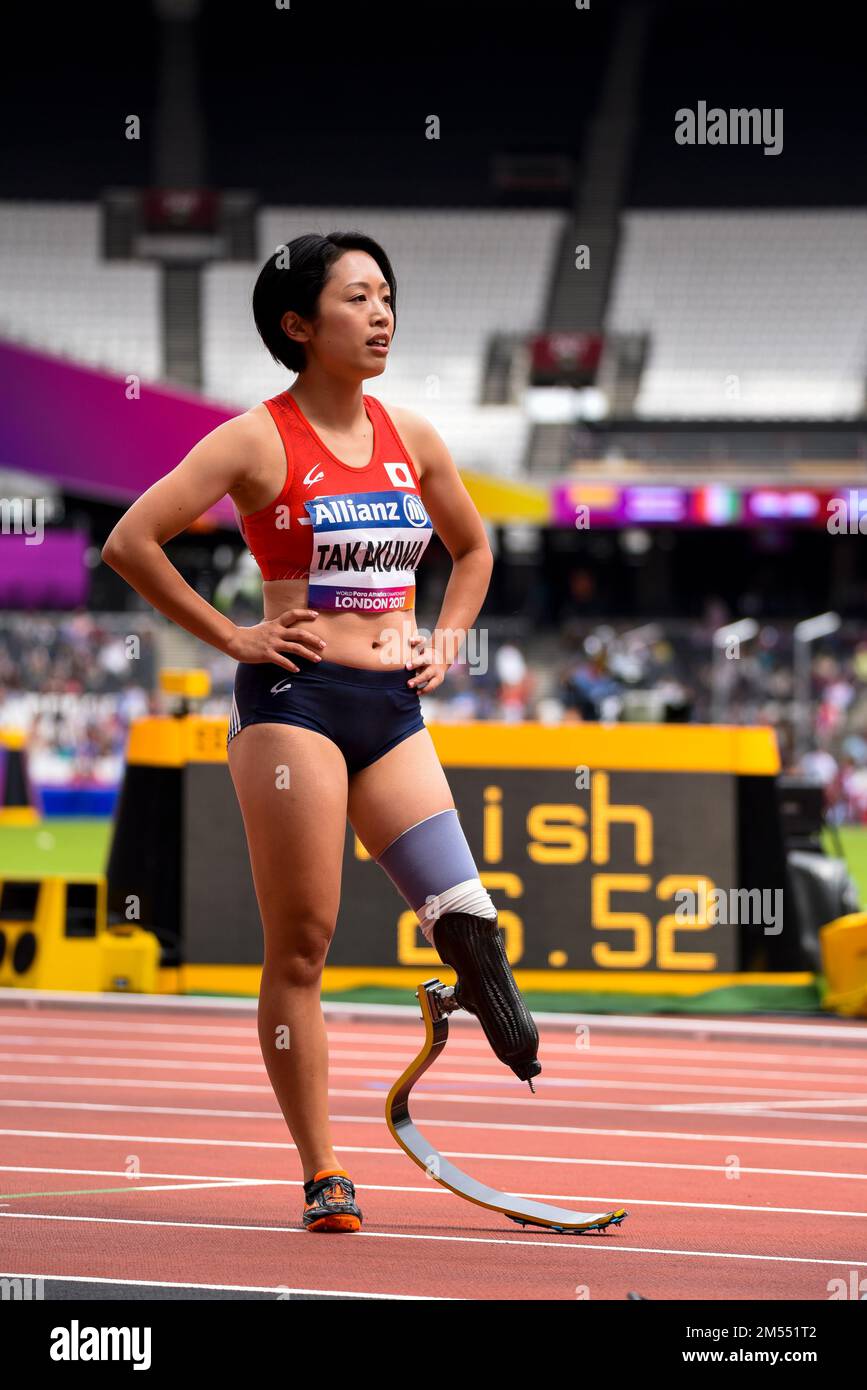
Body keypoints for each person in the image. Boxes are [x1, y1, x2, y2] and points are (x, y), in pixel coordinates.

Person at [102, 231, 540, 1234]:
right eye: (357, 298)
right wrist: (234, 635)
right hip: (293, 705)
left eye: (387, 295)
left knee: (468, 919)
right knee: (301, 947)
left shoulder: (411, 436)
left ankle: (470, 983)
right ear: (299, 325)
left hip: (392, 707)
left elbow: (472, 549)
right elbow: (131, 540)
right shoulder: (254, 440)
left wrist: (448, 637)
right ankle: (323, 1168)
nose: (382, 314)